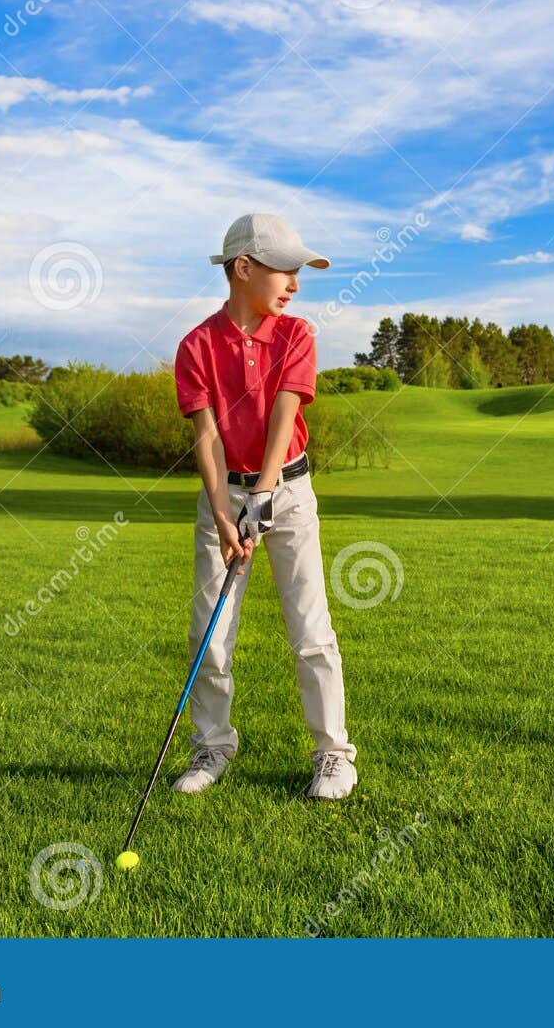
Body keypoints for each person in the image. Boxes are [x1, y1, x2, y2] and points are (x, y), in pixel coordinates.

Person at [171, 212, 357, 800]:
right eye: (285, 270)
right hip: (224, 497)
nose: (295, 284)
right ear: (244, 268)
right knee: (210, 634)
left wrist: (265, 492)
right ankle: (212, 747)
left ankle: (333, 755)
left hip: (289, 494)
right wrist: (223, 512)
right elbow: (206, 436)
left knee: (311, 631)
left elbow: (285, 412)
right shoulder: (196, 346)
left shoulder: (296, 335)